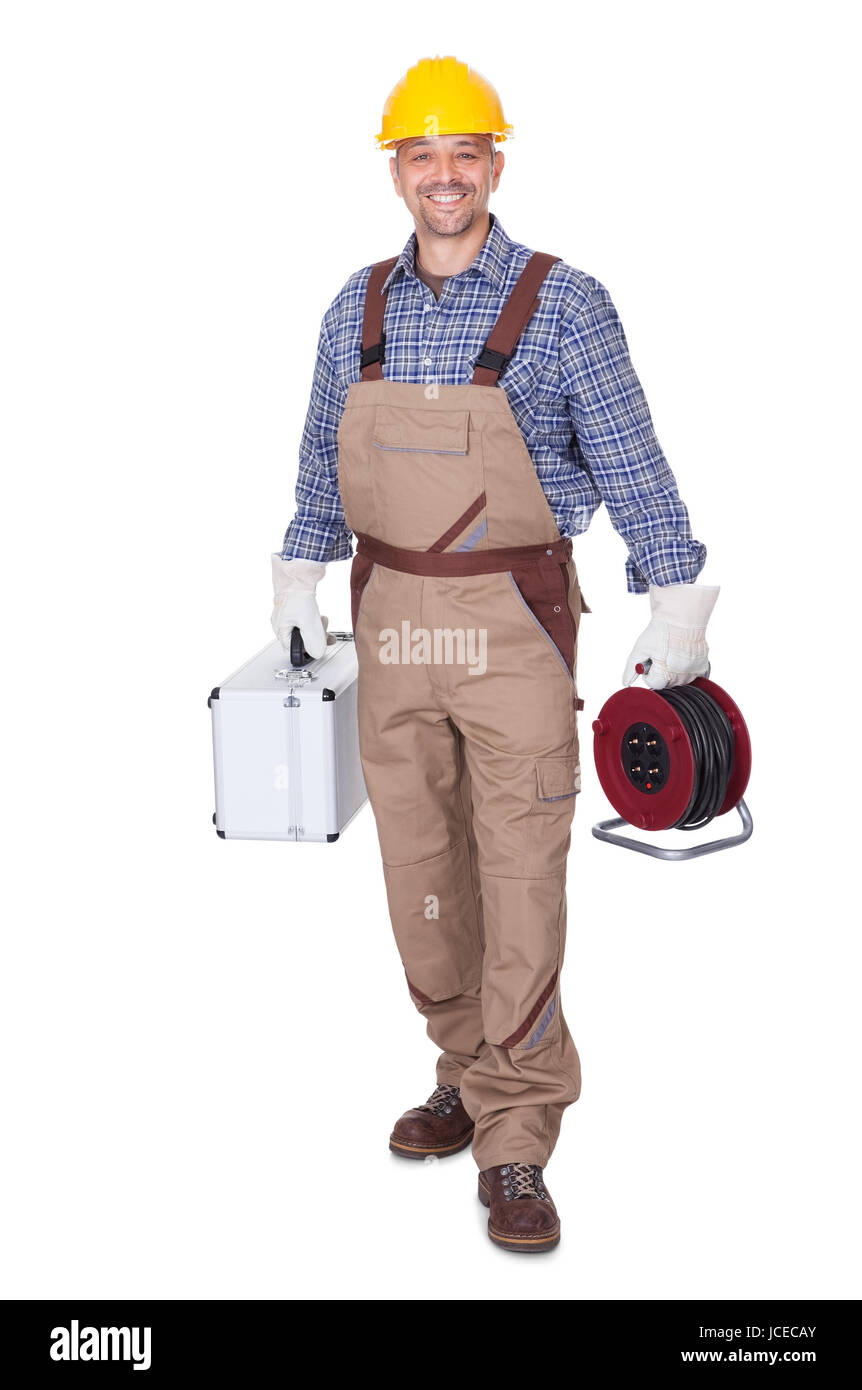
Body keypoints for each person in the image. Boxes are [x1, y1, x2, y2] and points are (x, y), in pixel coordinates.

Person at [271, 56, 718, 1253]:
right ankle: (462, 1069)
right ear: (395, 170)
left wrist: (673, 591)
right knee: (422, 877)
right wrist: (296, 573)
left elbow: (627, 451)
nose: (444, 176)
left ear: (495, 163)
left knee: (519, 874)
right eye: (421, 156)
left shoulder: (560, 303)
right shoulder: (354, 308)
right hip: (390, 627)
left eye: (464, 152)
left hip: (512, 630)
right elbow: (323, 455)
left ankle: (516, 1137)